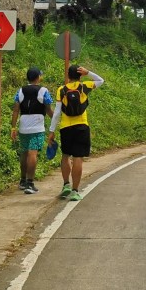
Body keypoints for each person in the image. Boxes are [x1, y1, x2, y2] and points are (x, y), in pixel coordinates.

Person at [47, 64, 104, 201]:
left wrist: (51, 131)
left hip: (66, 127)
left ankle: (66, 184)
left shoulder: (61, 90)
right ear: (80, 75)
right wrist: (88, 72)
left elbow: (57, 113)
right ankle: (75, 191)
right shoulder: (84, 87)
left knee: (66, 155)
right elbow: (101, 80)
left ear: (68, 76)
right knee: (78, 158)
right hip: (82, 126)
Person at [11, 67, 53, 194]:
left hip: (23, 126)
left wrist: (13, 127)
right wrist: (55, 120)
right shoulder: (43, 91)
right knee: (33, 153)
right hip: (37, 126)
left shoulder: (20, 91)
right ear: (38, 77)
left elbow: (16, 110)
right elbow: (48, 109)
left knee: (24, 153)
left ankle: (22, 181)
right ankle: (30, 183)